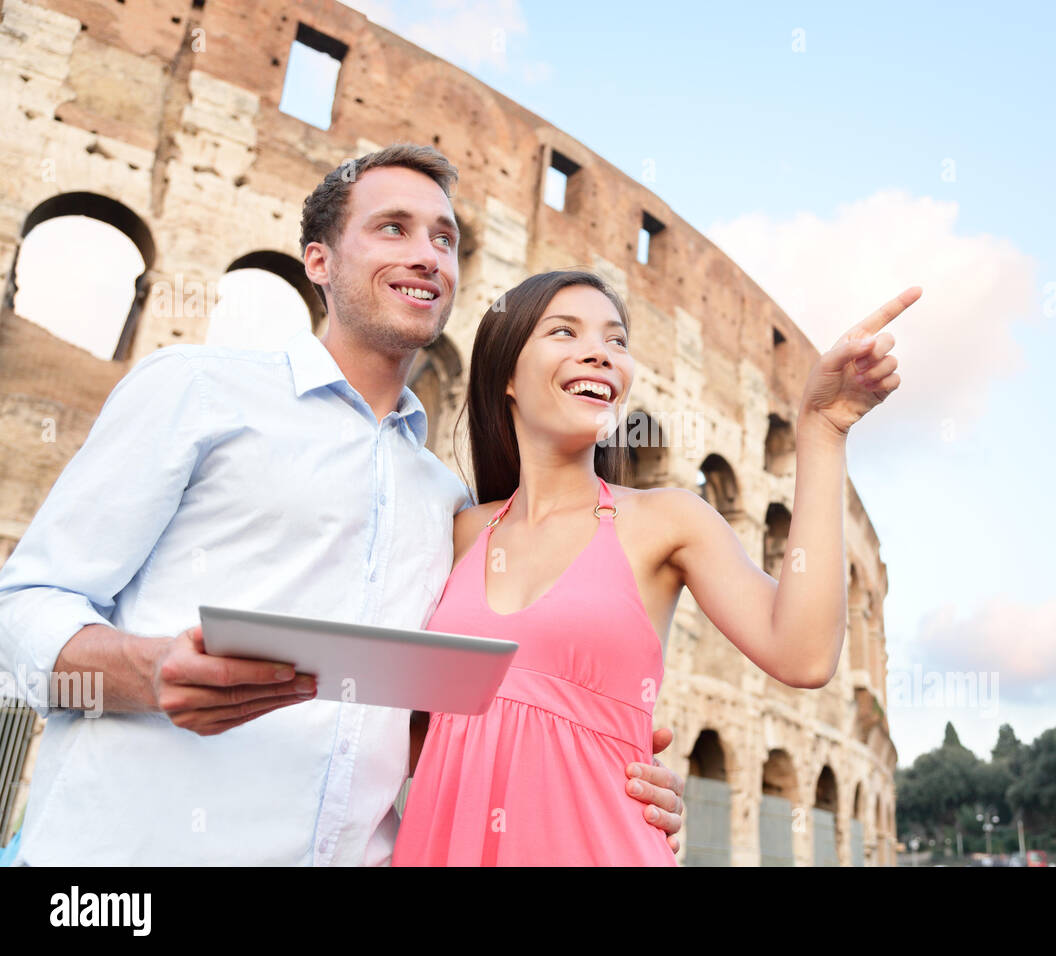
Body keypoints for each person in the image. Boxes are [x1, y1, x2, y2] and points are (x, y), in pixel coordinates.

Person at [0, 144, 683, 865]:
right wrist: (148, 670)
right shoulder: (196, 389)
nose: (427, 255)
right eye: (393, 227)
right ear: (318, 261)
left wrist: (616, 782)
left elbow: (436, 729)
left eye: (444, 239)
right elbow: (23, 610)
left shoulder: (448, 504)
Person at [392, 270, 919, 865]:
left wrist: (822, 431)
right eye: (564, 331)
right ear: (507, 375)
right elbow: (415, 731)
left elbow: (804, 652)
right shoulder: (460, 531)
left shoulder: (667, 521)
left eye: (617, 342)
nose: (600, 353)